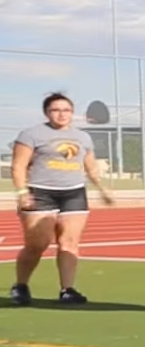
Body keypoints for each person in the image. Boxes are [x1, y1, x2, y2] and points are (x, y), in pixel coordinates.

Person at [10, 93, 114, 306]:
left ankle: (67, 289)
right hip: (40, 192)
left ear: (72, 112)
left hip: (73, 193)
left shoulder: (83, 137)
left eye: (66, 110)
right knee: (38, 243)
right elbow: (18, 165)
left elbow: (90, 167)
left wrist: (102, 189)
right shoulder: (31, 134)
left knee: (69, 243)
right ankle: (21, 285)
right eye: (55, 110)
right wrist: (22, 192)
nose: (61, 114)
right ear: (47, 112)